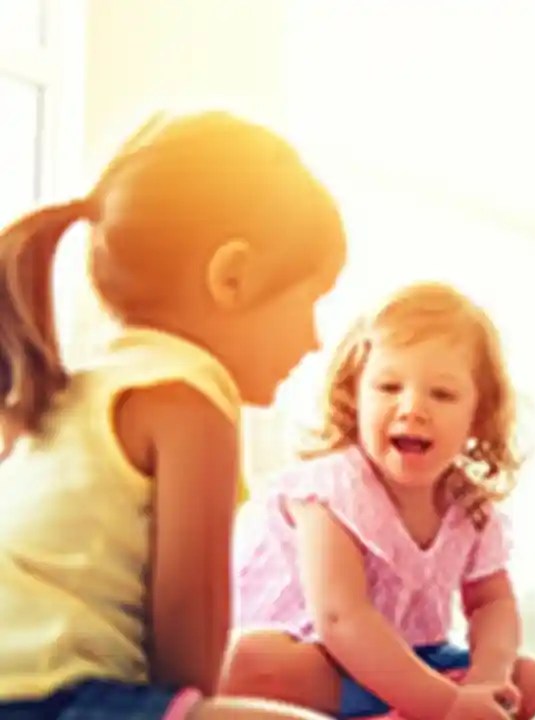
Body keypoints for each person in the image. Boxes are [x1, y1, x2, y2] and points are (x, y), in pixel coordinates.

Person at [0, 110, 345, 718]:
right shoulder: (189, 396)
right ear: (232, 277)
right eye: (310, 300)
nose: (317, 339)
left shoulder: (84, 380)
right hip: (55, 702)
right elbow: (188, 656)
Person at [223, 283, 535, 720]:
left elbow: (492, 603)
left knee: (529, 677)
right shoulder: (330, 490)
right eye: (389, 387)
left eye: (443, 394)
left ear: (480, 412)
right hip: (324, 662)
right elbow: (340, 619)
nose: (412, 408)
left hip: (418, 660)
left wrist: (488, 677)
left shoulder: (470, 509)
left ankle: (401, 711)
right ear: (353, 396)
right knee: (247, 662)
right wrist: (449, 705)